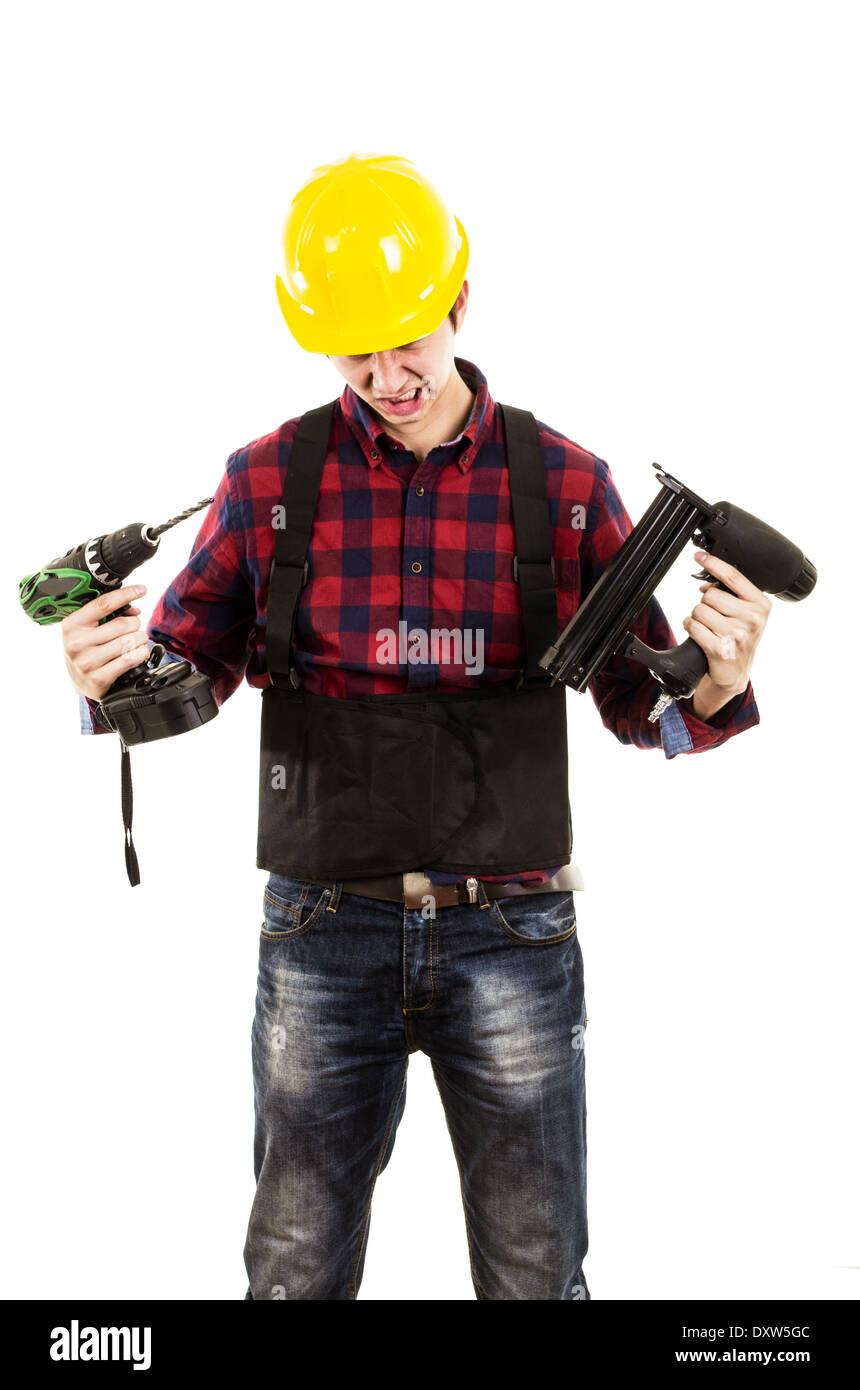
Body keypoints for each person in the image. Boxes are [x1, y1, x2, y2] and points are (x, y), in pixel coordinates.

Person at [62, 152, 771, 1300]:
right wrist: (112, 676)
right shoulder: (268, 480)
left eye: (407, 337)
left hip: (514, 935)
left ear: (457, 301)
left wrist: (710, 677)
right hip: (319, 938)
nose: (388, 375)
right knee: (291, 1274)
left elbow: (643, 710)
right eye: (355, 350)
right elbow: (187, 670)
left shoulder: (568, 486)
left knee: (537, 1277)